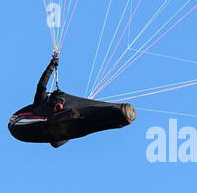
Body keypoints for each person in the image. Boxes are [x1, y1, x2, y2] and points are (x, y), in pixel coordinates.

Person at [8, 51, 137, 148]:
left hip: (56, 129)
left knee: (90, 121)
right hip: (30, 125)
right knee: (82, 117)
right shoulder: (40, 102)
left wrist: (52, 64)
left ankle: (120, 115)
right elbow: (42, 85)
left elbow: (56, 144)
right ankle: (119, 114)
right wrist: (51, 65)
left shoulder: (41, 104)